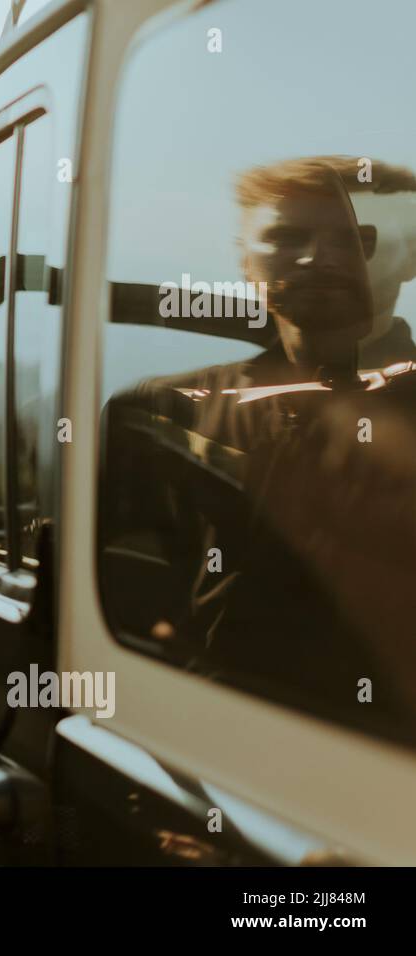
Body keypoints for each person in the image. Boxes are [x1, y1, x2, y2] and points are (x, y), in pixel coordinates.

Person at [102, 157, 416, 727]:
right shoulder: (162, 412)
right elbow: (113, 598)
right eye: (285, 236)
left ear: (410, 255)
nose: (318, 257)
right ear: (244, 259)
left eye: (355, 238)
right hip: (210, 766)